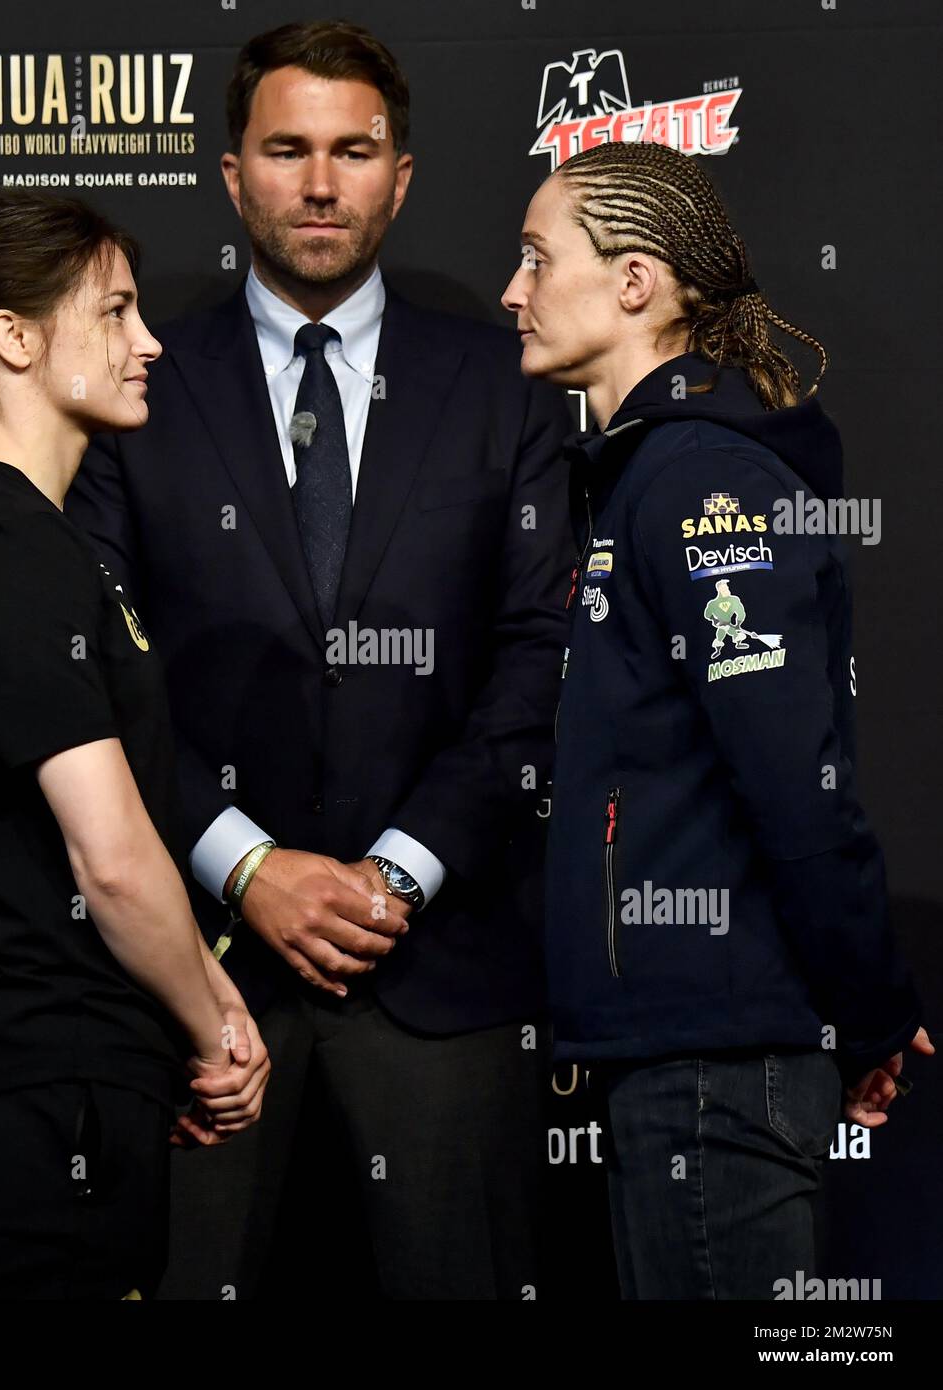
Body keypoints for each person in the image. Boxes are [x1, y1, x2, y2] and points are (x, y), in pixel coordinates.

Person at [65, 20, 574, 1299]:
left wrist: (391, 876)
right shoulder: (135, 391)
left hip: (442, 970)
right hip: (200, 980)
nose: (320, 181)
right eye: (286, 149)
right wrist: (246, 867)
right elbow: (99, 674)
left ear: (401, 176)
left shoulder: (503, 383)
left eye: (354, 151)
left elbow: (541, 656)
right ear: (231, 174)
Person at [501, 140, 933, 1299]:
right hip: (691, 1051)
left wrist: (868, 1004)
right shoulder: (652, 471)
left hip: (716, 1058)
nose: (512, 289)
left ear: (634, 281)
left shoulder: (700, 482)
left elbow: (796, 779)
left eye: (539, 259)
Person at [0, 191, 269, 1299]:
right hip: (40, 1104)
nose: (150, 342)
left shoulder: (34, 541)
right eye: (117, 313)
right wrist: (217, 1024)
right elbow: (114, 856)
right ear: (15, 338)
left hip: (72, 1092)